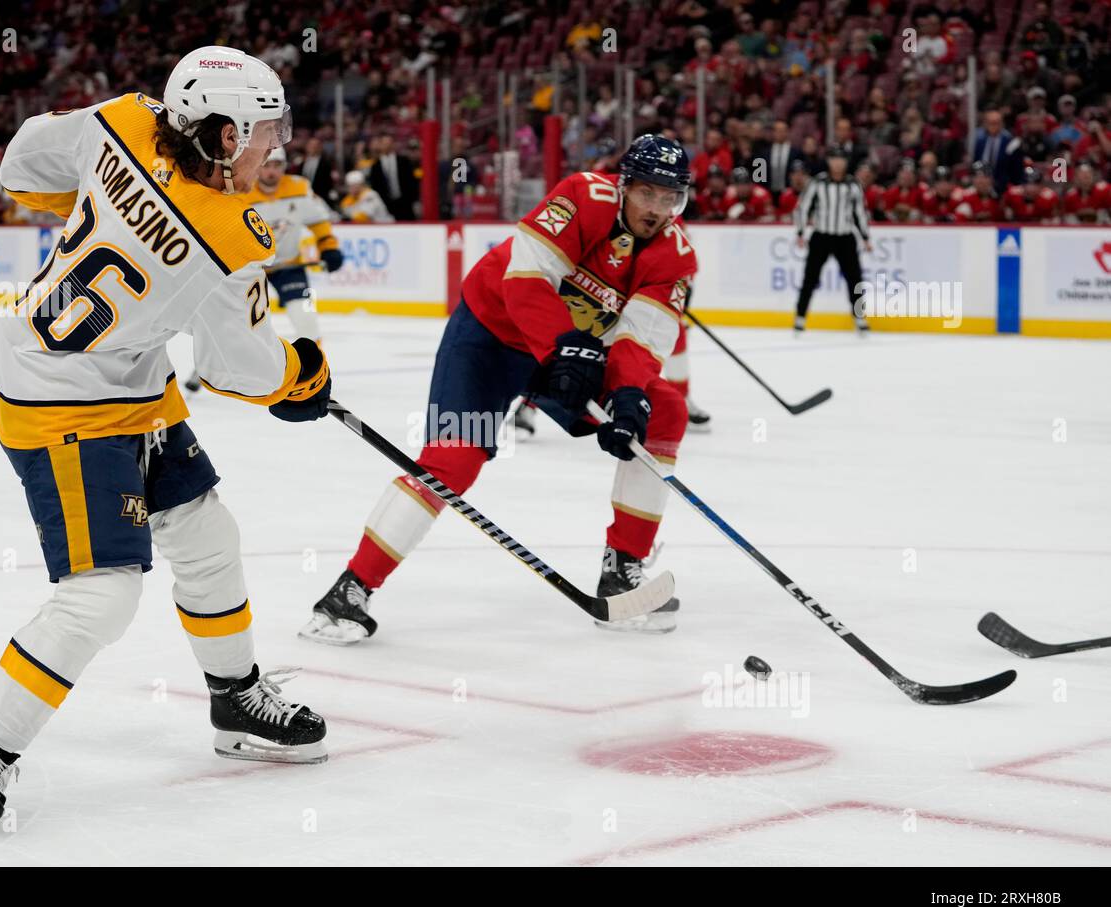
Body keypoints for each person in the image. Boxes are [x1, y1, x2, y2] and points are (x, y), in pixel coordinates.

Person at [0, 46, 332, 839]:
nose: (275, 148)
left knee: (207, 533)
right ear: (215, 132)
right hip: (61, 401)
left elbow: (22, 165)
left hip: (122, 380)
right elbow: (239, 370)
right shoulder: (229, 234)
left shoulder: (122, 120)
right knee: (103, 591)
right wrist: (300, 378)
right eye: (261, 132)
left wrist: (112, 198)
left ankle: (235, 697)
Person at [300, 134, 698, 644]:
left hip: (564, 356)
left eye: (671, 198)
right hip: (489, 339)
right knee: (452, 462)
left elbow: (642, 340)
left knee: (660, 412)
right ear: (623, 187)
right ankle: (349, 592)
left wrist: (627, 397)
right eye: (648, 194)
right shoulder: (582, 196)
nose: (658, 209)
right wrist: (563, 349)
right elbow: (526, 278)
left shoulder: (676, 255)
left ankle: (622, 568)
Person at [239, 147, 344, 343]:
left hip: (290, 266)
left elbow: (319, 221)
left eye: (277, 165)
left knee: (307, 319)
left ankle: (313, 367)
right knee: (235, 323)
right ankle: (208, 371)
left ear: (285, 166)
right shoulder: (241, 190)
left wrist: (329, 247)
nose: (271, 171)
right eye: (266, 165)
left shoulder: (300, 188)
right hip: (250, 270)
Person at [792, 145, 872, 335]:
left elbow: (860, 212)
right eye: (834, 159)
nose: (837, 163)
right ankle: (800, 316)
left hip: (845, 237)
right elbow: (803, 207)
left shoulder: (853, 184)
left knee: (855, 279)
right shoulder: (817, 183)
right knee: (810, 278)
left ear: (846, 162)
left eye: (841, 159)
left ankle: (859, 317)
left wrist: (865, 237)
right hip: (821, 236)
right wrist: (801, 232)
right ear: (828, 161)